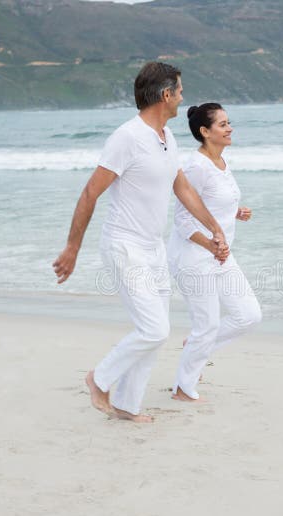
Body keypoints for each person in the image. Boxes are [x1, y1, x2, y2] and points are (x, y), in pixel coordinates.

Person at [52, 63, 228, 423]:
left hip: (153, 248)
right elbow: (90, 192)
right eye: (179, 91)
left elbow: (182, 187)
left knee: (156, 333)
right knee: (154, 329)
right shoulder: (127, 138)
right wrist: (72, 248)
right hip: (124, 246)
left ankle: (127, 405)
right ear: (166, 95)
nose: (182, 97)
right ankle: (99, 379)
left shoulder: (167, 137)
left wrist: (214, 227)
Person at [167, 103, 262, 402]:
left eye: (228, 122)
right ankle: (183, 388)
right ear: (205, 132)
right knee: (206, 325)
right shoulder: (196, 167)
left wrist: (234, 212)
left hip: (220, 254)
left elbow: (209, 204)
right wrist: (210, 244)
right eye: (222, 124)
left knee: (249, 315)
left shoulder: (220, 161)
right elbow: (182, 219)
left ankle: (195, 347)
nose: (230, 128)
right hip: (193, 256)